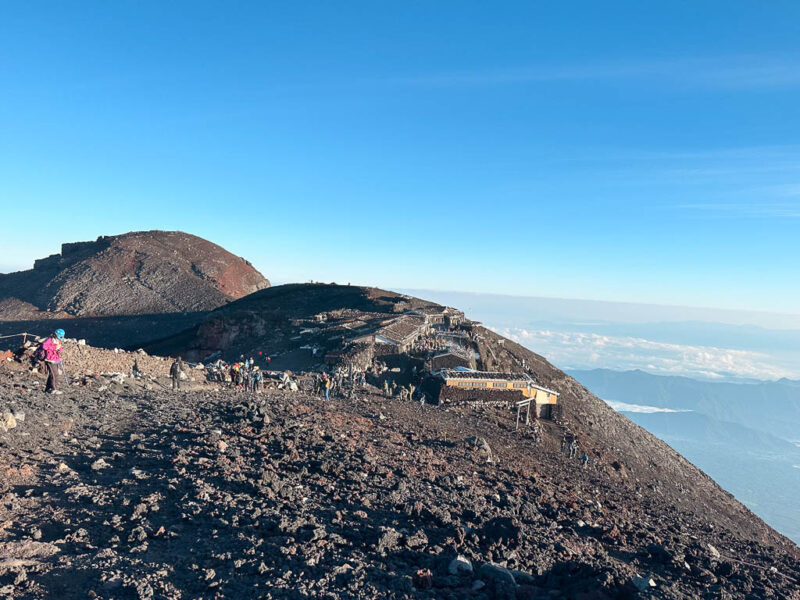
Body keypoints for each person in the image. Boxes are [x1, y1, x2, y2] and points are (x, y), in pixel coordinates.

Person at [40, 329, 66, 394]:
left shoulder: (58, 341)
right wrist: (54, 347)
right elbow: (44, 346)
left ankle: (48, 389)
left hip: (55, 359)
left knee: (52, 374)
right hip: (49, 359)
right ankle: (53, 389)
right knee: (55, 374)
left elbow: (59, 348)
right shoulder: (50, 339)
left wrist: (59, 349)